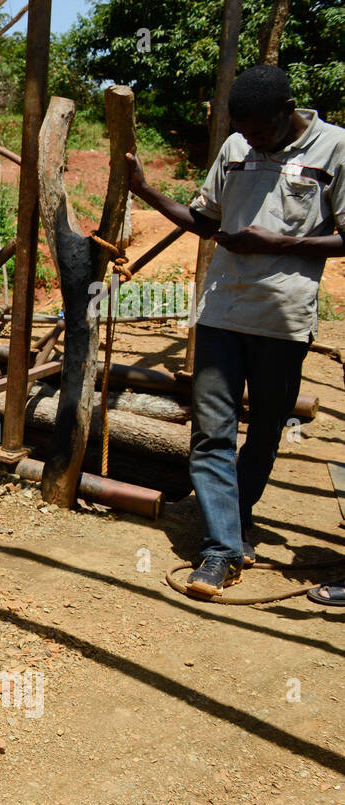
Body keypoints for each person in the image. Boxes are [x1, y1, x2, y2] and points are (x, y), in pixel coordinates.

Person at [127, 65, 345, 598]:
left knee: (267, 429)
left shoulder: (335, 148)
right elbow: (206, 220)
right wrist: (146, 191)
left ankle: (236, 518)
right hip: (222, 313)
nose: (248, 138)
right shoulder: (235, 148)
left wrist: (281, 245)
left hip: (283, 320)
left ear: (284, 112)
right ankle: (221, 549)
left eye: (256, 129)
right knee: (212, 432)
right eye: (241, 129)